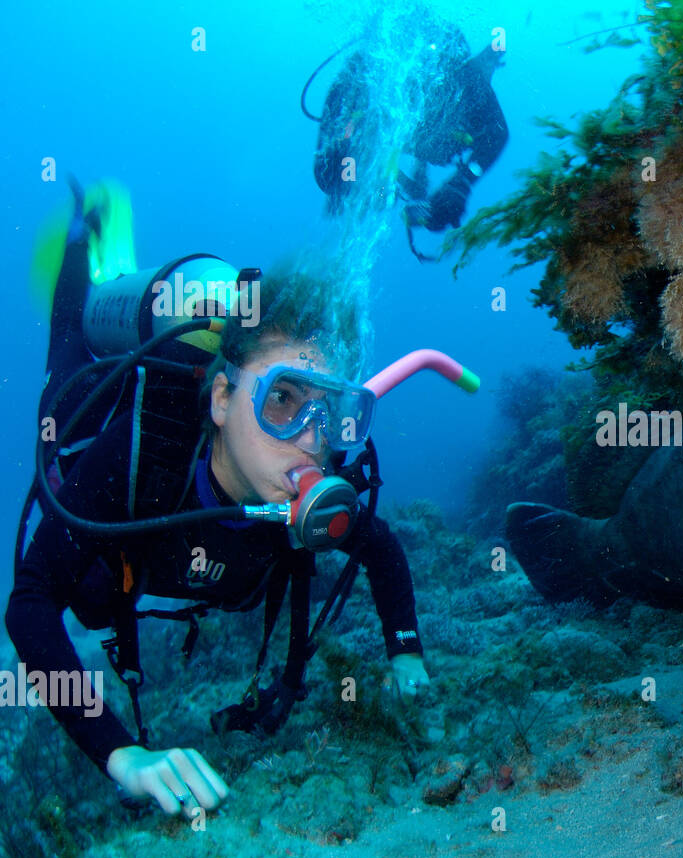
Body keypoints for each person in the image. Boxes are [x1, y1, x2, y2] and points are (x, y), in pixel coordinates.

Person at [6, 191, 431, 817]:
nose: (312, 439)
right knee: (67, 341)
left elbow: (381, 547)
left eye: (329, 410)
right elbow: (30, 604)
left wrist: (406, 652)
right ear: (223, 398)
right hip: (91, 432)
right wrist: (124, 757)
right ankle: (84, 235)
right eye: (282, 398)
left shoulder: (308, 491)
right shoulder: (139, 454)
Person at [307, 15, 508, 261]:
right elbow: (327, 169)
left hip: (438, 129)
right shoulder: (358, 77)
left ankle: (486, 63)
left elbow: (496, 134)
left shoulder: (461, 76)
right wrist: (345, 153)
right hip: (393, 135)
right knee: (338, 179)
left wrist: (462, 183)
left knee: (439, 140)